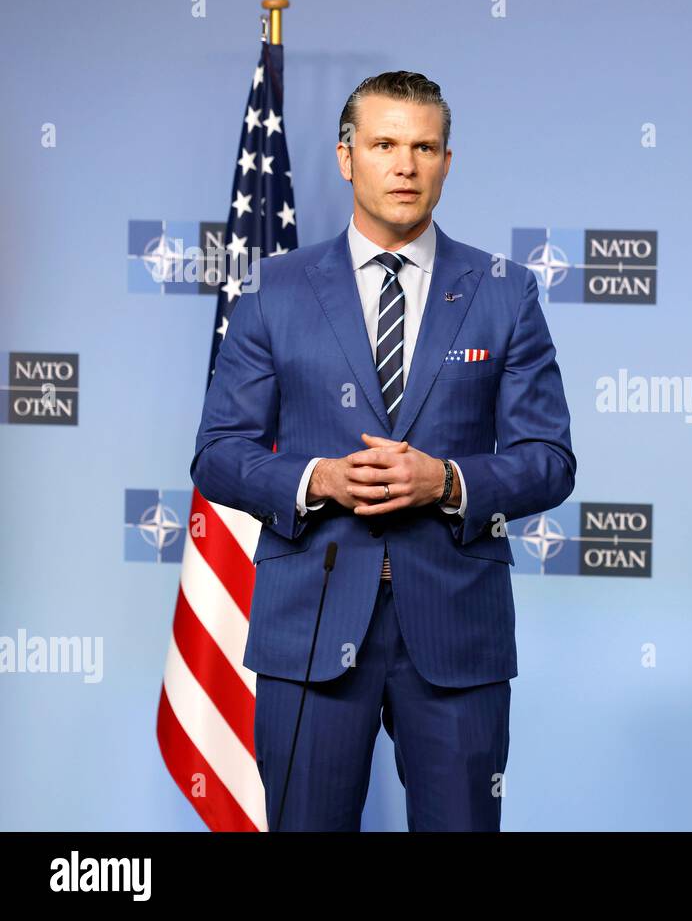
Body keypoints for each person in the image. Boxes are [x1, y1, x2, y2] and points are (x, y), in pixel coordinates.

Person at [192, 71, 576, 830]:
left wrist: (449, 480)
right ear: (347, 158)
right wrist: (318, 478)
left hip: (457, 629)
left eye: (423, 146)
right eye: (384, 145)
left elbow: (549, 460)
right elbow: (218, 454)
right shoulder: (274, 290)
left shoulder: (506, 293)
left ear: (446, 160)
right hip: (309, 621)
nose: (405, 165)